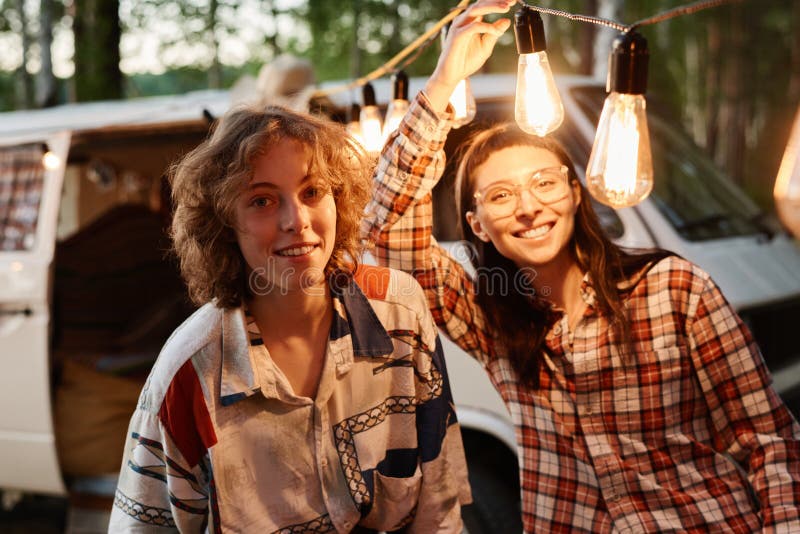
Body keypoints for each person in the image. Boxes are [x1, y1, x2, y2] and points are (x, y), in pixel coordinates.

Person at [362, 0, 800, 531]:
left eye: (544, 183)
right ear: (478, 225)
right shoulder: (487, 315)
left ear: (576, 194)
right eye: (500, 196)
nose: (527, 206)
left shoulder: (675, 288)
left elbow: (768, 438)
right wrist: (444, 78)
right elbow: (382, 227)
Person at [109, 105, 471, 532]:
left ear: (340, 199)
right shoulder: (190, 370)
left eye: (313, 192)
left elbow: (440, 505)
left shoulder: (399, 310)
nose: (296, 221)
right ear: (224, 224)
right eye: (262, 200)